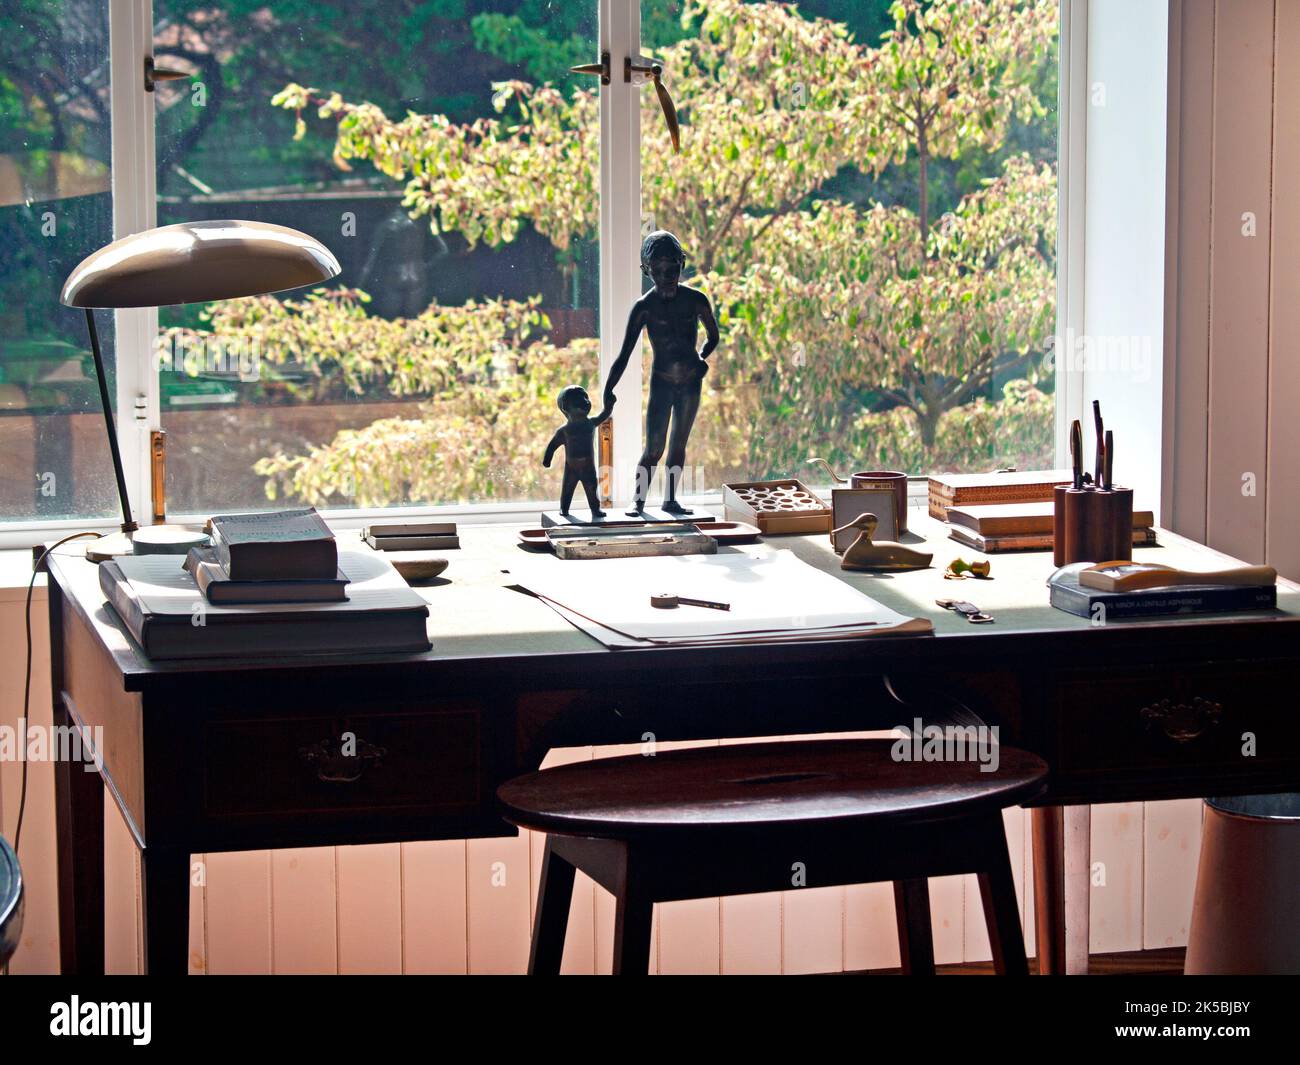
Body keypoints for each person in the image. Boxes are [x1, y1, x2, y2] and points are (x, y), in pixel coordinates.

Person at [602, 230, 719, 515]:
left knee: (678, 444)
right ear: (646, 270)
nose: (666, 275)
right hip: (662, 383)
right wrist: (608, 390)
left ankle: (670, 500)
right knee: (654, 447)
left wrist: (701, 357)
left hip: (690, 384)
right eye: (658, 270)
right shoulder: (645, 307)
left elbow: (713, 336)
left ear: (682, 262)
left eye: (672, 268)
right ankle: (638, 500)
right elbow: (624, 355)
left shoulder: (695, 300)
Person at [543, 385, 615, 519]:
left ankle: (595, 510)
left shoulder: (591, 423)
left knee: (592, 489)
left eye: (585, 397)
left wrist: (609, 405)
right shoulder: (564, 431)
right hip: (571, 467)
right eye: (578, 399)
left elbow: (604, 414)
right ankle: (564, 509)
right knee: (567, 490)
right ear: (565, 407)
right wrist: (547, 459)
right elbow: (552, 446)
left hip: (588, 467)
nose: (585, 401)